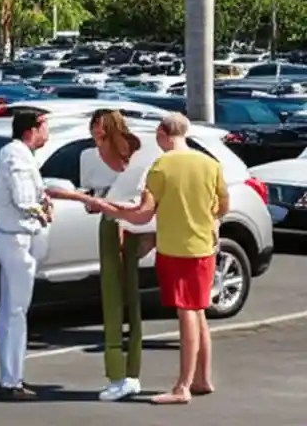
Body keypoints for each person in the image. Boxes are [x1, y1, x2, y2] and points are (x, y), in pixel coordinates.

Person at [95, 113, 228, 405]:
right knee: (199, 310)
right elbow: (221, 205)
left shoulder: (162, 166)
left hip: (177, 249)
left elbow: (144, 212)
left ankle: (182, 387)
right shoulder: (211, 164)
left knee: (187, 313)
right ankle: (202, 378)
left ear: (163, 133)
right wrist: (211, 225)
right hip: (204, 247)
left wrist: (109, 209)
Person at [50, 109, 156, 401]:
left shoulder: (133, 147)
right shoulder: (90, 156)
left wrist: (149, 232)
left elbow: (143, 188)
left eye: (101, 125)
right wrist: (92, 199)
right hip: (112, 222)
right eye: (94, 125)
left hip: (132, 221)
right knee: (113, 296)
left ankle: (127, 375)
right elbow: (94, 196)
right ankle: (119, 373)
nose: (97, 130)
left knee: (128, 299)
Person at [0, 109, 52, 401]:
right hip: (16, 239)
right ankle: (12, 381)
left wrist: (43, 201)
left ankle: (9, 376)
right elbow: (24, 198)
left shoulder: (17, 154)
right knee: (16, 312)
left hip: (13, 237)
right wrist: (42, 210)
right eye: (45, 127)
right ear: (32, 129)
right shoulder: (16, 155)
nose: (47, 132)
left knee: (11, 310)